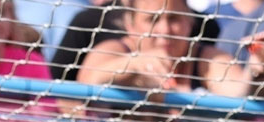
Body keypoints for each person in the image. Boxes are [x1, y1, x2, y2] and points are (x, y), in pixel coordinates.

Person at [73, 0, 205, 87]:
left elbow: (224, 80)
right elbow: (86, 84)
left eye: (174, 19)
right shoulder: (114, 49)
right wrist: (133, 64)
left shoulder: (204, 57)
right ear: (130, 24)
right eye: (152, 19)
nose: (165, 30)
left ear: (190, 21)